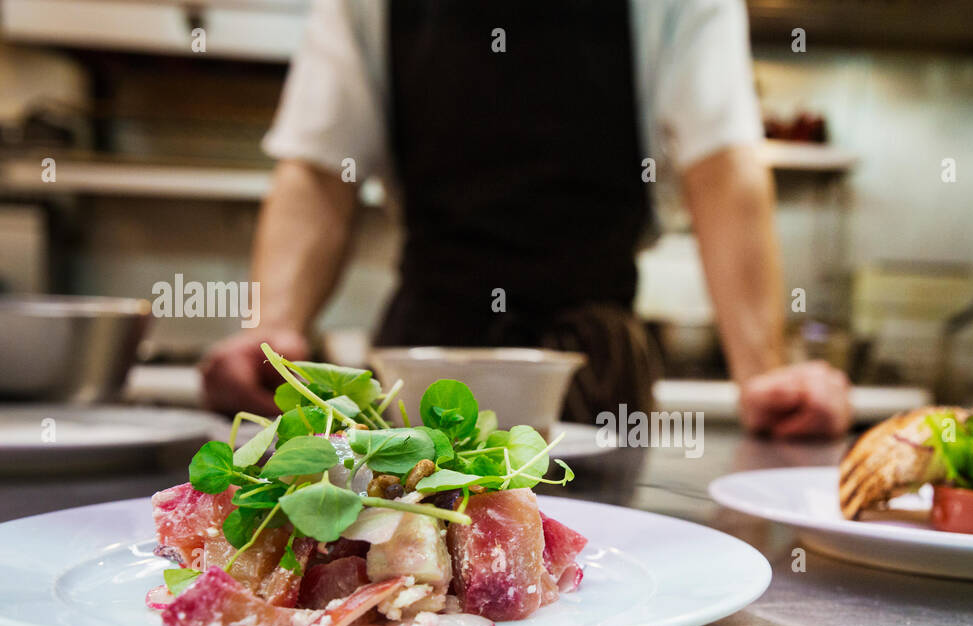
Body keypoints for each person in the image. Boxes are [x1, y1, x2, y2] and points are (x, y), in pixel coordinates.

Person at [201, 0, 851, 439]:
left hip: (595, 376)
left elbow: (723, 165)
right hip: (423, 361)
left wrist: (763, 376)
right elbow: (319, 169)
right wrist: (273, 331)